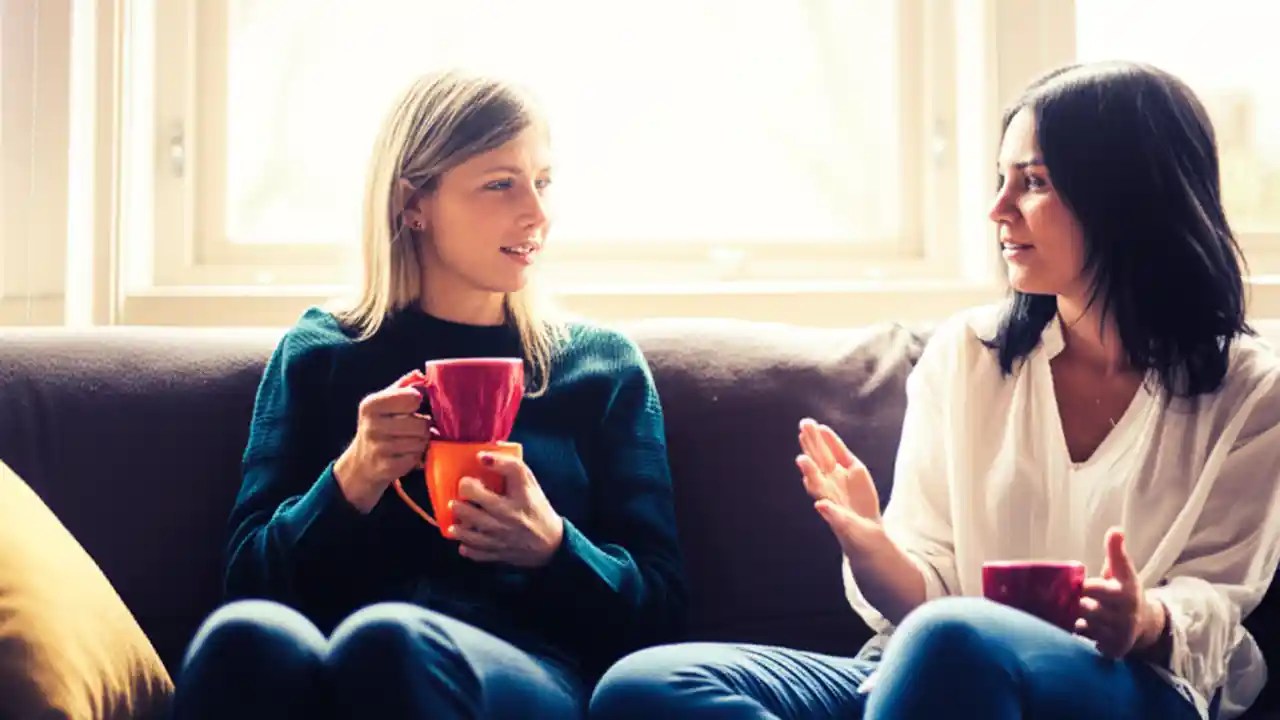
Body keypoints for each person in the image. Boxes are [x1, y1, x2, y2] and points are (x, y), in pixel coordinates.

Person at [589, 61, 1280, 720]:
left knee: (956, 640)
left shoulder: (1250, 390)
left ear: (1126, 195)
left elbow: (1218, 595)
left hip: (1128, 686)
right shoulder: (967, 357)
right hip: (931, 670)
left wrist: (1144, 618)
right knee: (647, 684)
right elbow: (927, 600)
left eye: (1032, 182)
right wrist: (870, 546)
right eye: (1000, 179)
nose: (998, 209)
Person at [170, 70, 686, 720]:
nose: (538, 212)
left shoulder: (600, 369)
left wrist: (556, 548)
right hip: (332, 655)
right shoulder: (319, 355)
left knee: (389, 640)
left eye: (543, 181)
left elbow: (662, 613)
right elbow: (245, 583)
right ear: (414, 203)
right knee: (243, 637)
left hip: (527, 669)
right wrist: (350, 482)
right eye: (501, 184)